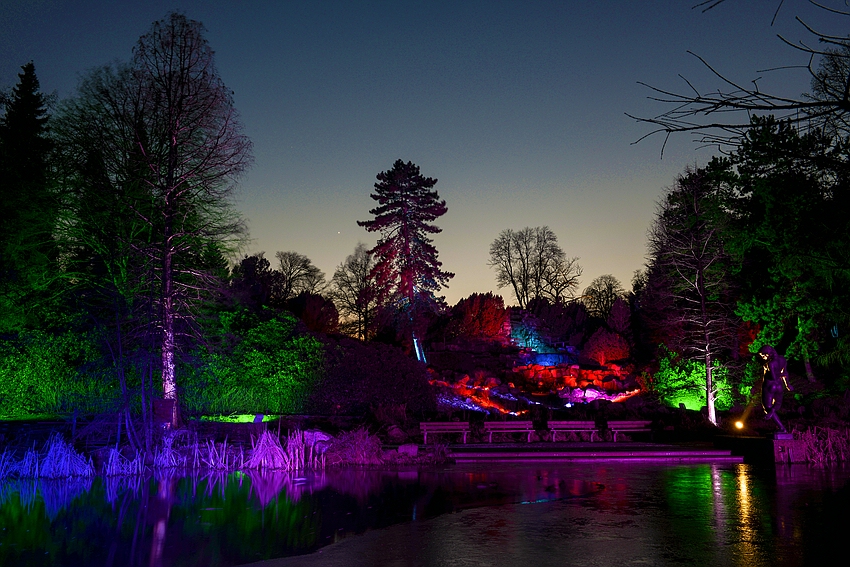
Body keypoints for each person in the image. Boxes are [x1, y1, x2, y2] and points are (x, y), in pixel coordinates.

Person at [758, 345, 793, 432]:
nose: (763, 357)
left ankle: (781, 427)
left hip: (769, 385)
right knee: (777, 403)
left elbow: (773, 377)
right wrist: (788, 384)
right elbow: (785, 372)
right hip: (779, 385)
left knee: (767, 407)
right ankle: (773, 413)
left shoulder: (770, 363)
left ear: (768, 354)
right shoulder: (782, 359)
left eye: (763, 355)